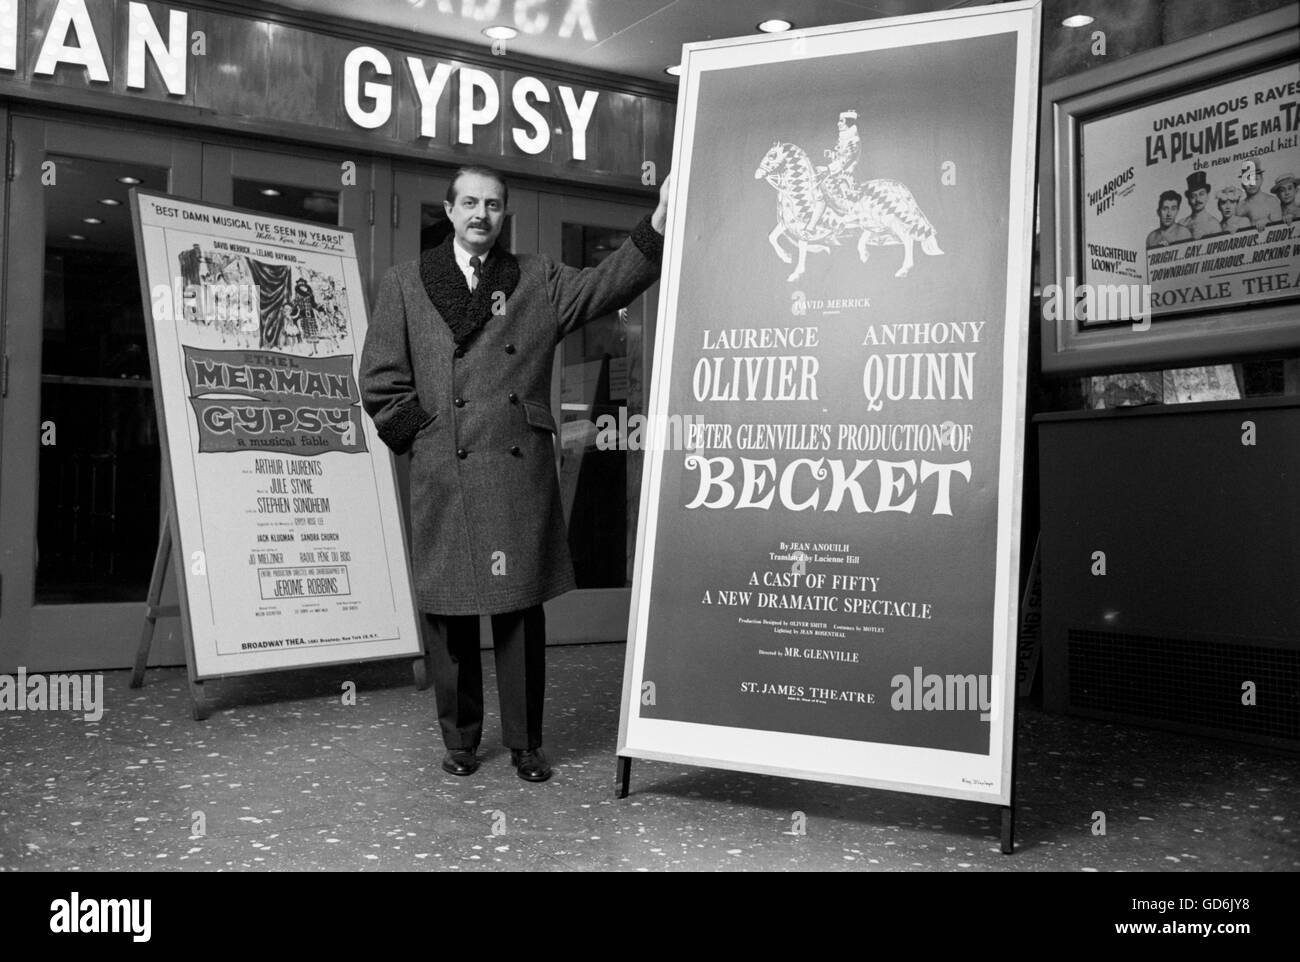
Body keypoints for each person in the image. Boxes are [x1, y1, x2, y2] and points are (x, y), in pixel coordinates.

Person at [360, 165, 669, 782]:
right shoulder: (405, 283)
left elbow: (609, 285)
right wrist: (425, 437)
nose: (482, 214)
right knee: (449, 612)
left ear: (504, 215)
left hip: (515, 465)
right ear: (448, 210)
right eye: (470, 202)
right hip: (445, 465)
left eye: (494, 205)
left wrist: (658, 221)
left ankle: (527, 743)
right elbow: (379, 380)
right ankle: (462, 742)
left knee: (520, 611)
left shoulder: (537, 279)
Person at [1237, 159, 1281, 229]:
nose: (1252, 183)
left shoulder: (1272, 201)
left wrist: (1268, 223)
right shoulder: (1239, 206)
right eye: (1248, 180)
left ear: (1261, 180)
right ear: (1242, 184)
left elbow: (1280, 227)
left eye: (1255, 179)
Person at [1178, 171, 1220, 239]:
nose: (1197, 199)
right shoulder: (1181, 223)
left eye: (1201, 194)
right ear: (1188, 199)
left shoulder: (1214, 224)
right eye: (1193, 196)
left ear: (1207, 196)